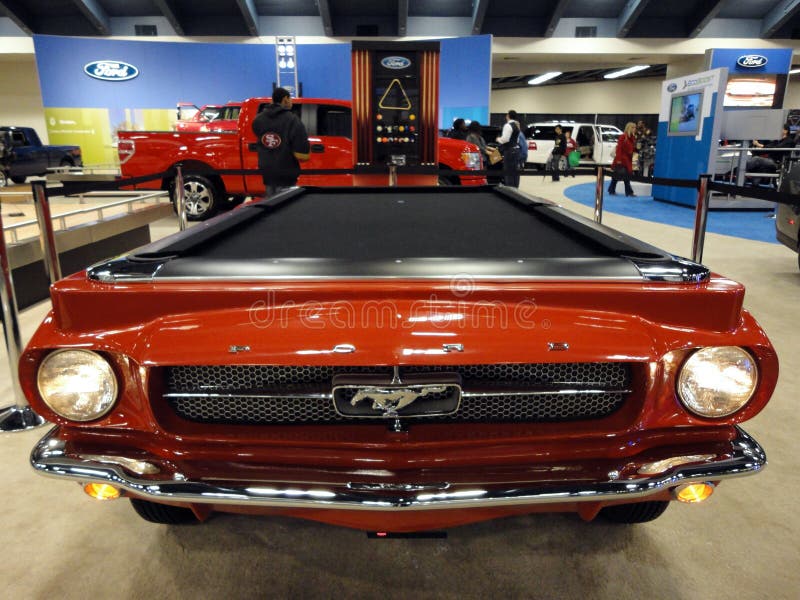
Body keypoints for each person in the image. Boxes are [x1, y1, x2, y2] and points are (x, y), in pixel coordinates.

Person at [251, 87, 310, 197]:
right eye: (290, 99)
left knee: (271, 206)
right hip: (286, 173)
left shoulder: (258, 119)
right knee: (286, 207)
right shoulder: (292, 120)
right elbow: (302, 152)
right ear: (285, 99)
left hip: (267, 173)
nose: (291, 101)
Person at [608, 121, 636, 197]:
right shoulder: (623, 136)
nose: (635, 129)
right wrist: (619, 160)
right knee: (625, 177)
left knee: (617, 176)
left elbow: (631, 149)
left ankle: (611, 189)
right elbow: (619, 149)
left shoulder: (632, 138)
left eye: (635, 127)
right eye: (633, 127)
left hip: (627, 160)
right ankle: (629, 192)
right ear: (629, 128)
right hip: (621, 160)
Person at [496, 110, 521, 187]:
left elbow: (505, 139)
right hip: (516, 149)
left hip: (509, 150)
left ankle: (510, 189)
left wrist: (498, 139)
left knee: (508, 171)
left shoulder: (508, 125)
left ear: (508, 116)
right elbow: (517, 139)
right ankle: (515, 188)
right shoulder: (517, 125)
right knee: (515, 171)